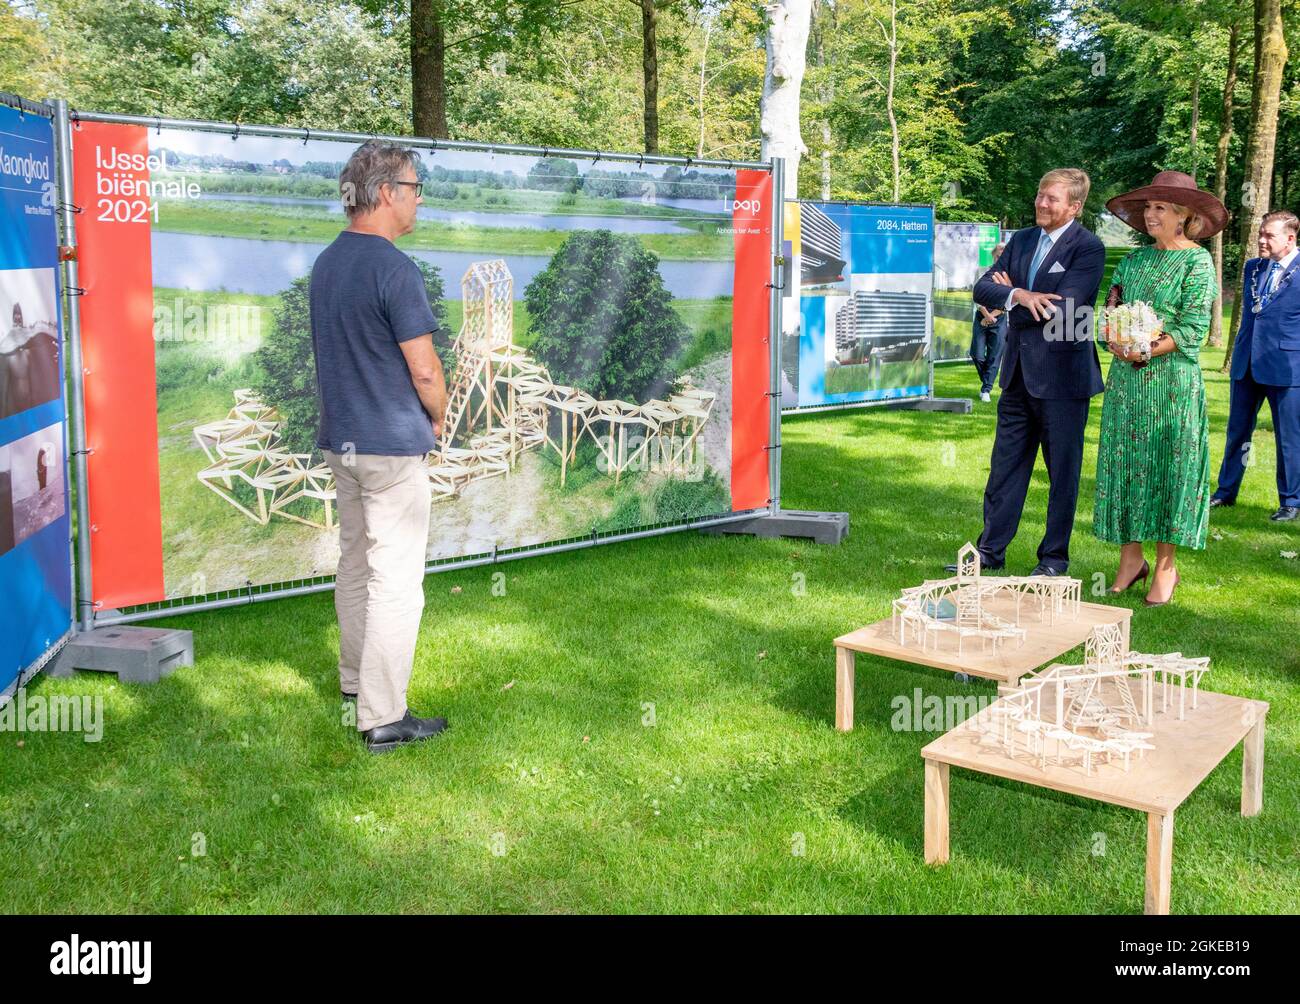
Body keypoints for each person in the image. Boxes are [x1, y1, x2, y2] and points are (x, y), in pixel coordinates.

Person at [310, 139, 450, 753]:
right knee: (396, 579)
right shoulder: (395, 268)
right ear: (388, 193)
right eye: (415, 188)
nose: (419, 200)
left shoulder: (327, 262)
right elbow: (424, 371)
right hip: (391, 448)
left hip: (343, 443)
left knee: (356, 564)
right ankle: (384, 716)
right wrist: (440, 418)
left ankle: (353, 686)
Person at [950, 169, 1106, 577]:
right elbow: (983, 288)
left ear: (1074, 206)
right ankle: (989, 553)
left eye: (1052, 199)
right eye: (1039, 195)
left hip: (1064, 378)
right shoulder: (1020, 240)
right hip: (1017, 374)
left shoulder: (1087, 248)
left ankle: (1053, 560)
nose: (1040, 203)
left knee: (1063, 474)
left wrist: (1011, 299)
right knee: (1005, 468)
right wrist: (1019, 293)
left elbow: (1064, 307)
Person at [1093, 172, 1225, 607]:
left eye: (1160, 208)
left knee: (1170, 466)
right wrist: (1112, 336)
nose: (1151, 214)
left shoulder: (1197, 263)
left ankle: (1166, 567)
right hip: (1127, 385)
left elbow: (1192, 328)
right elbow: (1110, 306)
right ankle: (1131, 560)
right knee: (1125, 463)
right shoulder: (1132, 262)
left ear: (1184, 215)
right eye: (1148, 207)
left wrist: (1146, 351)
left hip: (1172, 384)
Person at [1210, 210, 1300, 523]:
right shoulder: (1253, 267)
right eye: (1261, 233)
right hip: (1246, 363)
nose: (1261, 240)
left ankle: (1291, 501)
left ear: (1290, 239)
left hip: (1287, 368)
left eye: (1268, 236)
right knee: (1237, 433)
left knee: (1289, 438)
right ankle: (1224, 492)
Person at [969, 241, 1009, 402]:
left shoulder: (1009, 275)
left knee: (994, 355)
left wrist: (993, 315)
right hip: (981, 315)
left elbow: (1010, 299)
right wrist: (986, 315)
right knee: (977, 354)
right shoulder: (981, 271)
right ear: (993, 255)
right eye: (998, 254)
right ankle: (987, 379)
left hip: (999, 317)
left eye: (1003, 255)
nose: (1000, 257)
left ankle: (986, 389)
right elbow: (976, 295)